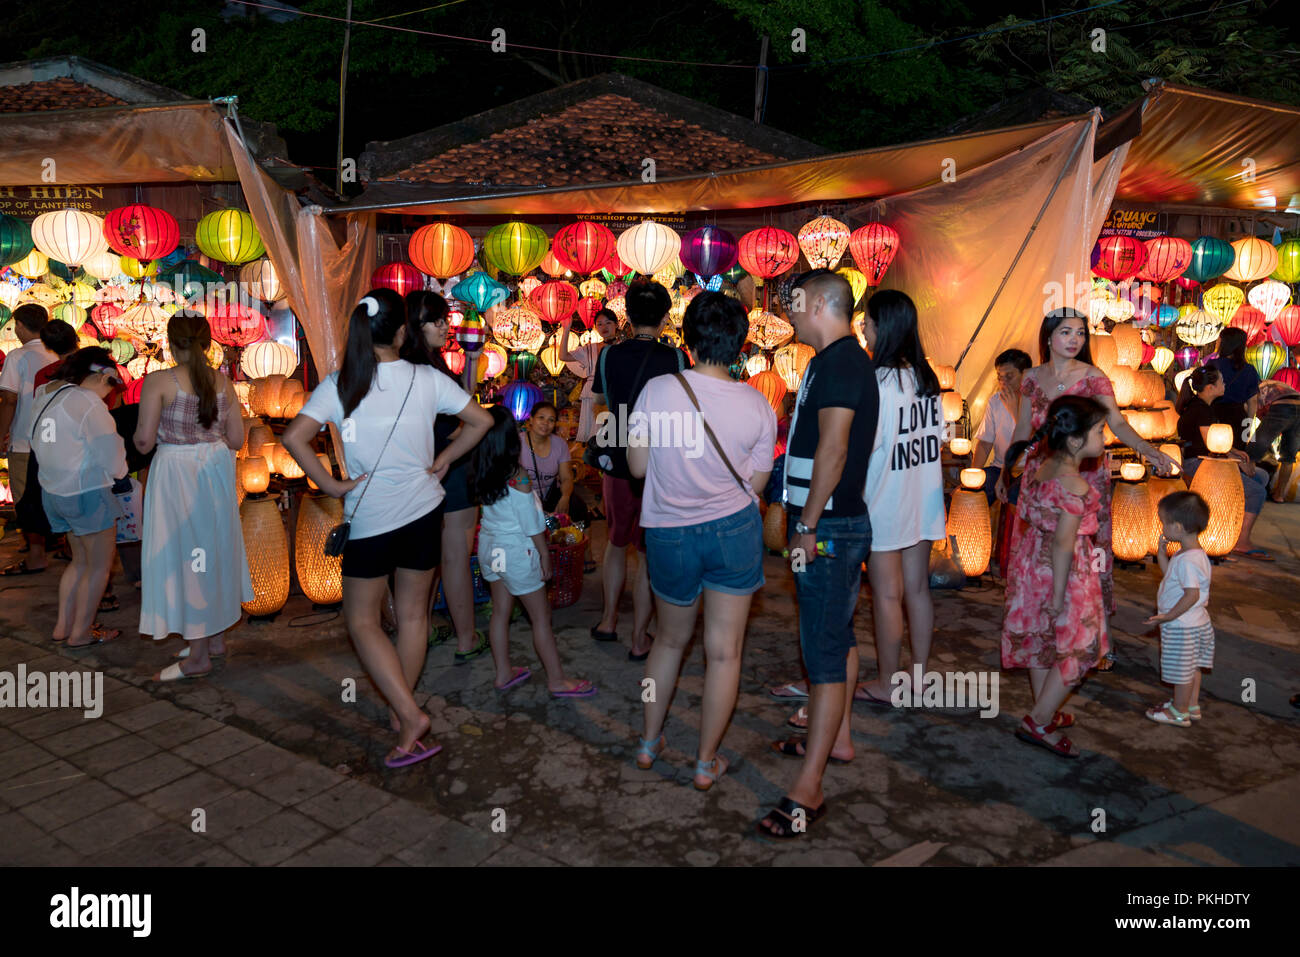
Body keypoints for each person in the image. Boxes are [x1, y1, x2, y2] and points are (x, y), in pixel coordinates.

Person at [284, 289, 492, 768]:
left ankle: (408, 713)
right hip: (424, 512)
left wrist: (333, 486)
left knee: (362, 621)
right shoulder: (426, 378)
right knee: (414, 617)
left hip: (370, 517)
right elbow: (480, 421)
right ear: (402, 332)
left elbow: (295, 438)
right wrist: (443, 459)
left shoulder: (341, 383)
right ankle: (406, 714)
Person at [626, 292, 775, 789]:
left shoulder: (657, 391)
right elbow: (753, 488)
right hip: (733, 531)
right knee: (724, 653)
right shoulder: (758, 405)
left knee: (667, 643)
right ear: (740, 343)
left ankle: (649, 742)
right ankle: (706, 762)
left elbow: (638, 468)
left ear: (687, 340)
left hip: (669, 533)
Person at [758, 269, 877, 839]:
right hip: (826, 524)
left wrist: (805, 526)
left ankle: (810, 787)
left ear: (824, 302)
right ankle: (840, 737)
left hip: (827, 529)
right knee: (836, 635)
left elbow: (833, 450)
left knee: (823, 654)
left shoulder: (843, 363)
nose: (791, 315)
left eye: (797, 304)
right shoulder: (828, 362)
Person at [997, 309, 1176, 663]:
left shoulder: (1095, 378)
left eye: (1080, 333)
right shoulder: (1031, 378)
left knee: (1083, 559)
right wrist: (1007, 473)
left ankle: (1090, 636)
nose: (1074, 340)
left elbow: (1118, 425)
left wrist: (1147, 449)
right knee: (1038, 553)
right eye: (1066, 332)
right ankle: (1037, 631)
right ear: (1048, 337)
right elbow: (1022, 432)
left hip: (1084, 477)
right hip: (1041, 477)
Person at [134, 312, 251, 680]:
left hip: (176, 473)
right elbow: (236, 440)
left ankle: (199, 654)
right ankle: (212, 639)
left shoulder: (158, 382)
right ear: (207, 342)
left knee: (185, 556)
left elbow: (143, 440)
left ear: (171, 342)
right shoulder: (222, 382)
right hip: (214, 471)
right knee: (209, 550)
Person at [1001, 396, 1110, 758]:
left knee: (1041, 640)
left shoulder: (1038, 466)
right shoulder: (1075, 487)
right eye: (1099, 430)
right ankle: (1039, 720)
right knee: (1080, 647)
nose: (1104, 437)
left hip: (1031, 564)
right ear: (1076, 440)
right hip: (1064, 572)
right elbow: (1064, 544)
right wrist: (1060, 594)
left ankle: (1043, 711)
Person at [587, 281, 687, 660]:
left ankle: (609, 620)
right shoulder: (676, 359)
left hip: (616, 456)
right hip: (658, 464)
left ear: (626, 315)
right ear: (665, 318)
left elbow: (600, 398)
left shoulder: (609, 356)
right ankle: (640, 638)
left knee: (614, 544)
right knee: (645, 552)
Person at [855, 290, 946, 703]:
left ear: (884, 327)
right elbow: (937, 442)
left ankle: (888, 683)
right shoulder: (927, 380)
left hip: (885, 503)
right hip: (924, 498)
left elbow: (864, 448)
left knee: (887, 596)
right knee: (918, 591)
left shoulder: (877, 383)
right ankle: (921, 676)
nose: (863, 330)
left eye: (868, 323)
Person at [472, 405, 595, 697]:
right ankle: (557, 680)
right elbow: (532, 525)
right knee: (541, 618)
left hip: (490, 547)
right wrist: (544, 555)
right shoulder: (518, 475)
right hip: (517, 550)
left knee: (500, 613)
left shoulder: (481, 468)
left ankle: (503, 673)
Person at [400, 290, 487, 662]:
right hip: (448, 471)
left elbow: (460, 402)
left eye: (444, 319)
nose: (444, 325)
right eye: (436, 320)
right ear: (417, 327)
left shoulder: (406, 365)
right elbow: (459, 423)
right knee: (454, 556)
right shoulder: (429, 369)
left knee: (427, 557)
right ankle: (467, 638)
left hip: (417, 473)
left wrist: (472, 361)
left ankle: (423, 629)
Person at [30, 348, 128, 648]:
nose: (110, 393)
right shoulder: (86, 401)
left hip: (54, 492)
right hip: (87, 493)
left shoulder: (46, 393)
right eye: (111, 383)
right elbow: (111, 451)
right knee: (99, 566)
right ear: (100, 375)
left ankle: (63, 627)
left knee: (79, 562)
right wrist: (121, 474)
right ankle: (81, 633)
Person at [1175, 365, 1270, 559]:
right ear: (1210, 387)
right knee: (1257, 490)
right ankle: (1242, 540)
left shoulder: (1202, 406)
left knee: (1261, 475)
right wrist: (1236, 460)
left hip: (1208, 460)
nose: (1225, 384)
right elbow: (1212, 446)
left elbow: (1212, 441)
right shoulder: (1200, 409)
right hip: (1199, 465)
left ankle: (1232, 529)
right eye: (1221, 381)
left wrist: (1236, 453)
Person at [10, 318, 78, 576]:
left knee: (33, 500)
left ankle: (38, 556)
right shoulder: (98, 366)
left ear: (49, 346)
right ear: (76, 339)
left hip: (53, 446)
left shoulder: (46, 375)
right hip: (90, 448)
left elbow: (42, 412)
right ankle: (76, 554)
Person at [1144, 491, 1214, 727]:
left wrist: (1166, 616)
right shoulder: (1194, 554)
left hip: (1182, 626)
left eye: (1164, 522)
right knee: (1192, 667)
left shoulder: (1187, 560)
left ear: (1178, 527)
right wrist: (1162, 555)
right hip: (1196, 624)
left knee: (1181, 673)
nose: (1162, 526)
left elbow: (1191, 595)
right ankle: (1191, 705)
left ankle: (1179, 711)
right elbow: (1172, 578)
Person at [0, 304, 57, 576]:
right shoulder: (56, 353)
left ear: (21, 325)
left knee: (26, 498)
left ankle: (36, 554)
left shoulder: (17, 356)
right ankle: (57, 545)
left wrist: (1, 434)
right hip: (57, 440)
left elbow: (9, 399)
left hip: (24, 439)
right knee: (53, 493)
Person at [973, 349, 1031, 504]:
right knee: (974, 494)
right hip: (999, 468)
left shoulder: (1037, 400)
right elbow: (985, 443)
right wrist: (972, 478)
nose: (1003, 382)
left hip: (1028, 470)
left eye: (1009, 376)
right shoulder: (995, 401)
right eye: (1000, 377)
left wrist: (1015, 411)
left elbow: (1034, 440)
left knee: (1013, 494)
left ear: (1025, 375)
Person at [556, 307, 619, 443]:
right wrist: (566, 329)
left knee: (615, 435)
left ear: (616, 324)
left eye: (608, 322)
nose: (604, 327)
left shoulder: (624, 347)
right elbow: (563, 356)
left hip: (616, 393)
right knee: (594, 434)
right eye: (600, 324)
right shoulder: (590, 348)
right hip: (593, 394)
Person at [520, 401, 587, 523]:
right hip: (523, 496)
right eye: (541, 418)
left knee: (579, 507)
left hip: (549, 496)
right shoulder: (516, 443)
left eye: (551, 420)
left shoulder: (560, 444)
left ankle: (576, 539)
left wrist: (565, 497)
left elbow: (566, 478)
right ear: (531, 419)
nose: (546, 423)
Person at [1247, 378, 1300, 503]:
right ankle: (1279, 495)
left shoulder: (1257, 388)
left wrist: (1246, 432)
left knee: (1253, 450)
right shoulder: (1276, 384)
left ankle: (1249, 489)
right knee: (1288, 457)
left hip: (1283, 407)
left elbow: (1252, 409)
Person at [1207, 328, 1259, 448]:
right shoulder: (1249, 369)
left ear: (1225, 343)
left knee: (1215, 452)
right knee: (1238, 454)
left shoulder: (1212, 365)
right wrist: (1248, 429)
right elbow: (1253, 402)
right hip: (1238, 417)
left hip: (1214, 414)